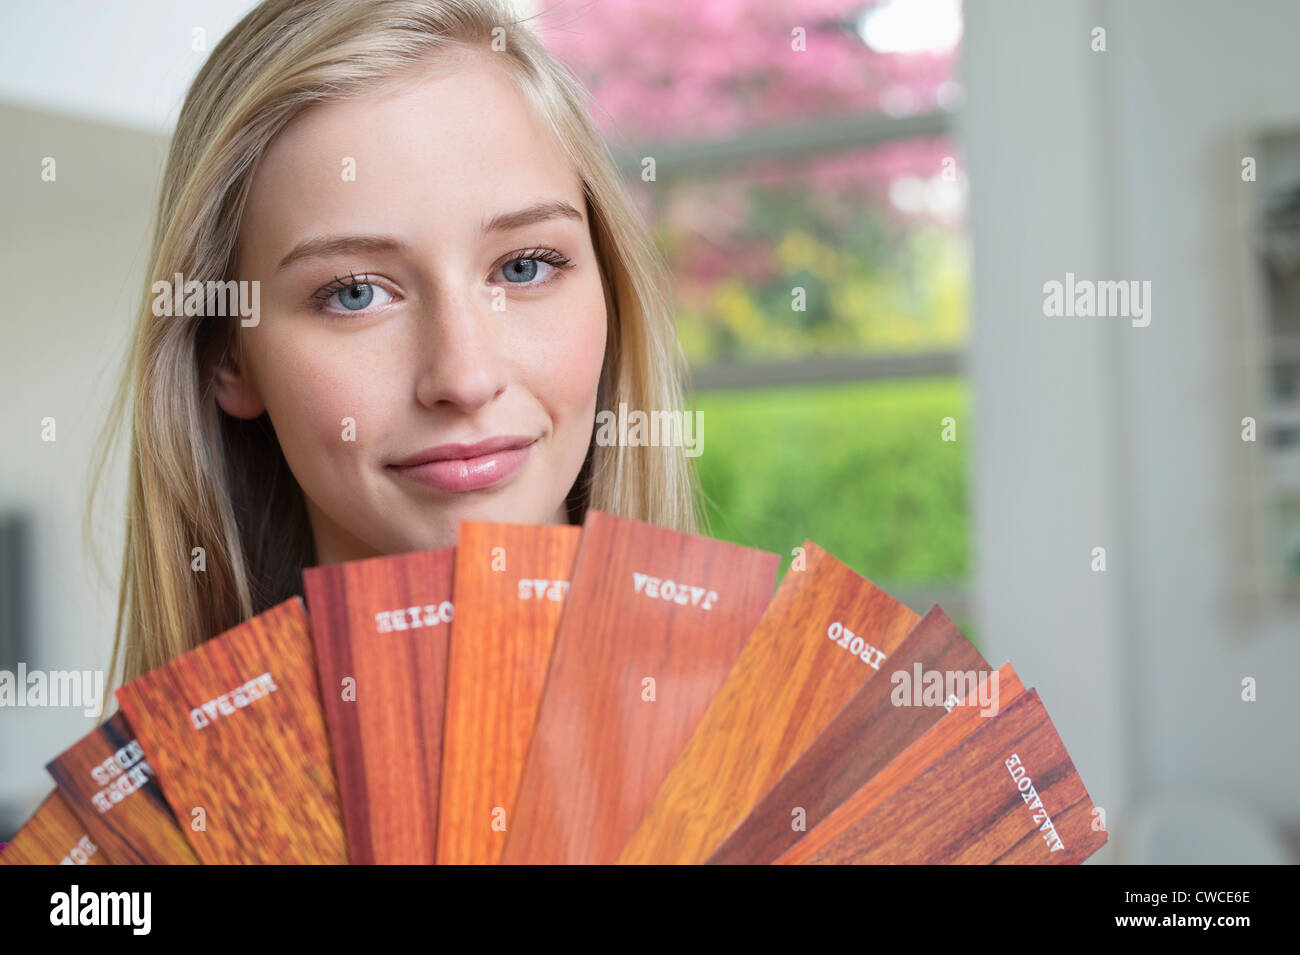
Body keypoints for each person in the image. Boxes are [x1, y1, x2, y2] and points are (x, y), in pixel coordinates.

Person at [88, 0, 704, 698]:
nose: (466, 378)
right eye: (355, 292)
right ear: (226, 355)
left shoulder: (799, 761)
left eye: (524, 266)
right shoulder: (159, 807)